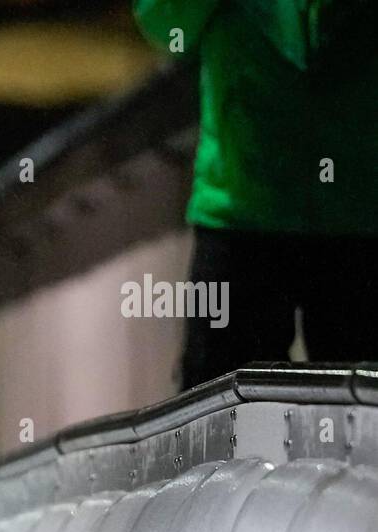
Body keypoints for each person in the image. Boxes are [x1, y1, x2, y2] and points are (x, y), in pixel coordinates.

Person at [133, 0, 378, 388]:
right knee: (219, 404)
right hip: (253, 210)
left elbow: (165, 25)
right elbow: (162, 22)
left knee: (219, 404)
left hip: (271, 207)